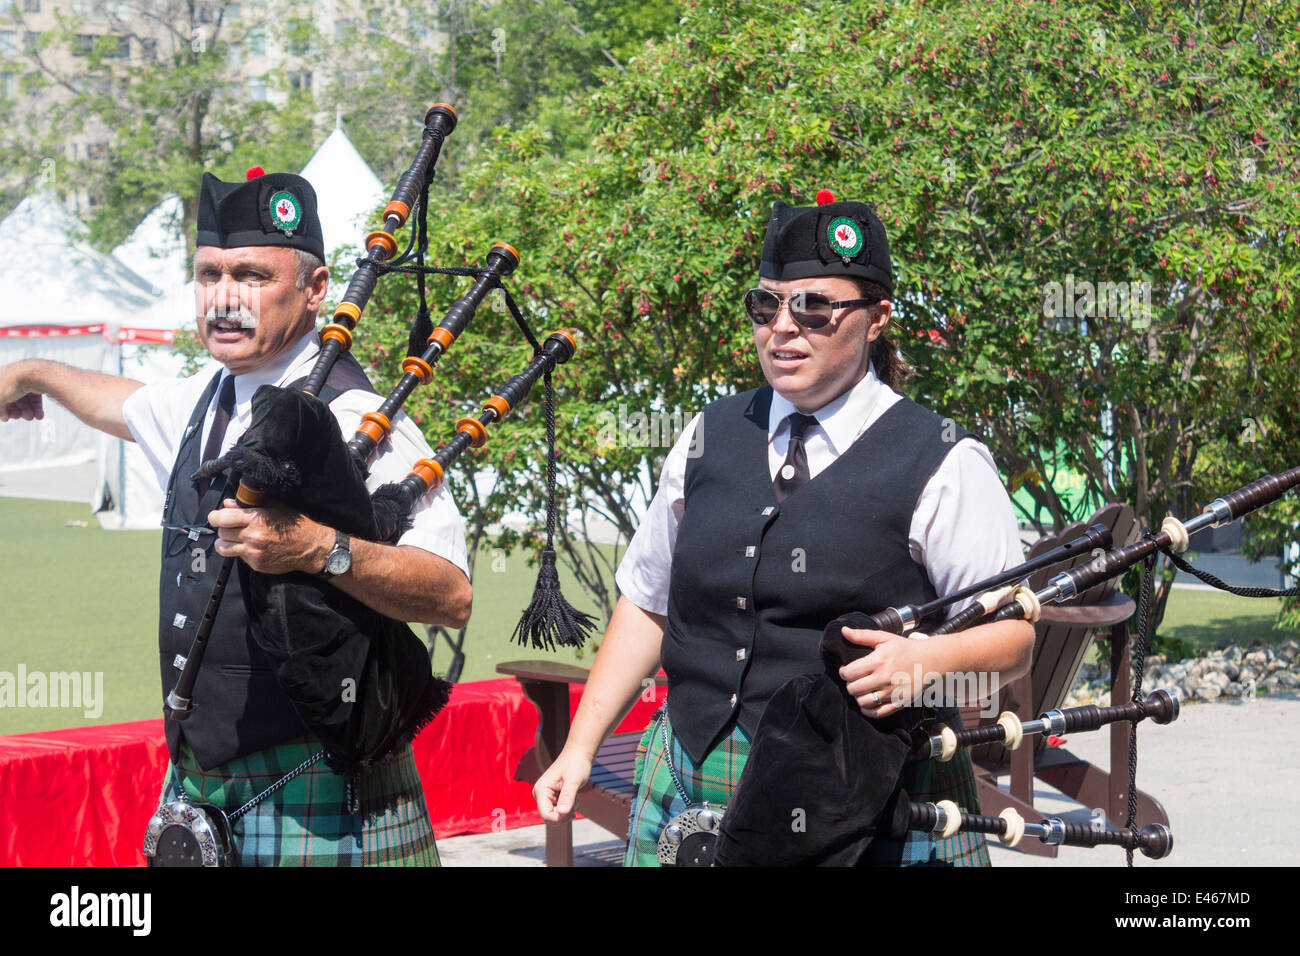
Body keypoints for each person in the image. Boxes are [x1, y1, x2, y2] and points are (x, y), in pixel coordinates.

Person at [533, 192, 1035, 866]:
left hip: (860, 790)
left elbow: (1017, 635)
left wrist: (928, 661)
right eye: (766, 306)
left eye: (814, 308)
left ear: (877, 318)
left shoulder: (942, 459)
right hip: (691, 774)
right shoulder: (708, 434)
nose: (783, 329)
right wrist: (580, 747)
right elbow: (648, 601)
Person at [0, 168, 471, 866]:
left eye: (251, 275)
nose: (225, 298)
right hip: (200, 784)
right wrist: (33, 373)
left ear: (316, 290)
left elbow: (450, 594)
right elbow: (123, 402)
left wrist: (317, 548)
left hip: (322, 791)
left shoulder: (352, 417)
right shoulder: (206, 398)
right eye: (208, 274)